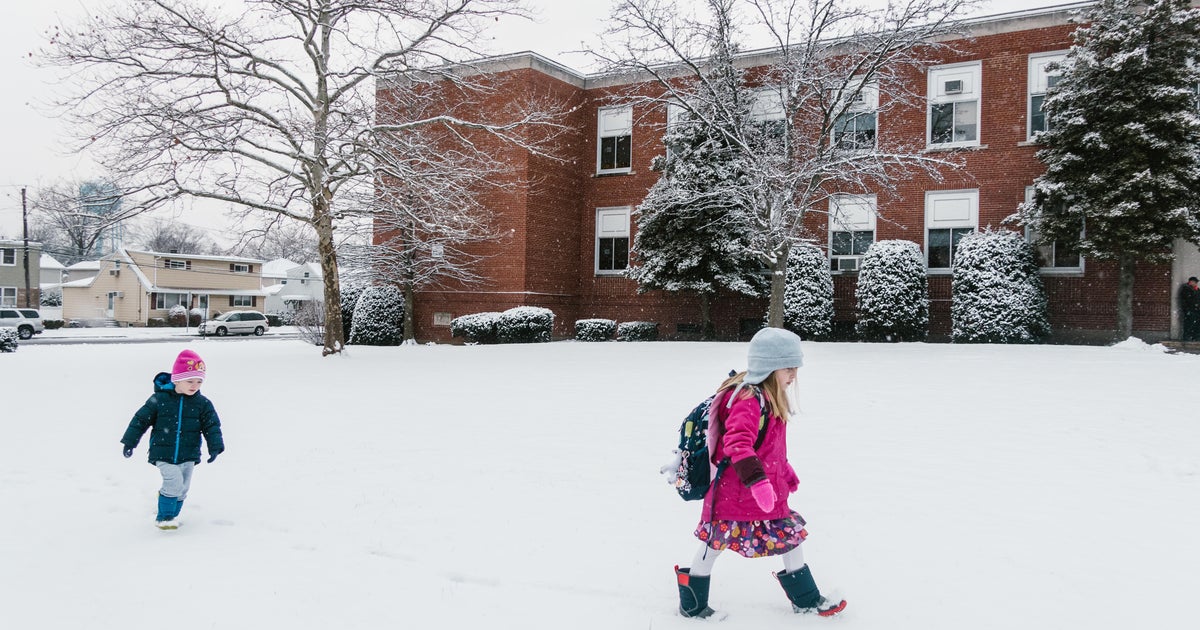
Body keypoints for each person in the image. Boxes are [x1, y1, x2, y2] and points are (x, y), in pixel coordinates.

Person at [674, 327, 846, 619]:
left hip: (765, 491)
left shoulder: (769, 398)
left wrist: (784, 472)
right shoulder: (750, 400)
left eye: (795, 368)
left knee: (790, 537)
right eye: (788, 368)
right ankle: (692, 605)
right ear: (769, 366)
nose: (793, 375)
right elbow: (738, 445)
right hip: (734, 493)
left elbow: (768, 449)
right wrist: (758, 483)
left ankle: (806, 599)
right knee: (712, 544)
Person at [120, 349, 225, 529]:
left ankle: (172, 511)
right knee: (174, 483)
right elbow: (140, 420)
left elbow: (212, 426)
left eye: (199, 381)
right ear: (177, 379)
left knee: (183, 488)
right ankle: (165, 518)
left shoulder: (202, 404)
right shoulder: (160, 399)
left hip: (189, 452)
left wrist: (215, 446)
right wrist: (130, 441)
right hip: (163, 451)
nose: (195, 385)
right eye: (190, 380)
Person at [1179, 277, 1200, 341]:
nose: (1196, 284)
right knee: (1189, 323)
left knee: (1197, 323)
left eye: (1196, 282)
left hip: (1197, 309)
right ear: (1190, 282)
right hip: (1190, 309)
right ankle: (1188, 336)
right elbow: (1188, 300)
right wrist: (1188, 309)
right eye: (1194, 282)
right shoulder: (1186, 289)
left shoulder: (1197, 290)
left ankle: (1195, 336)